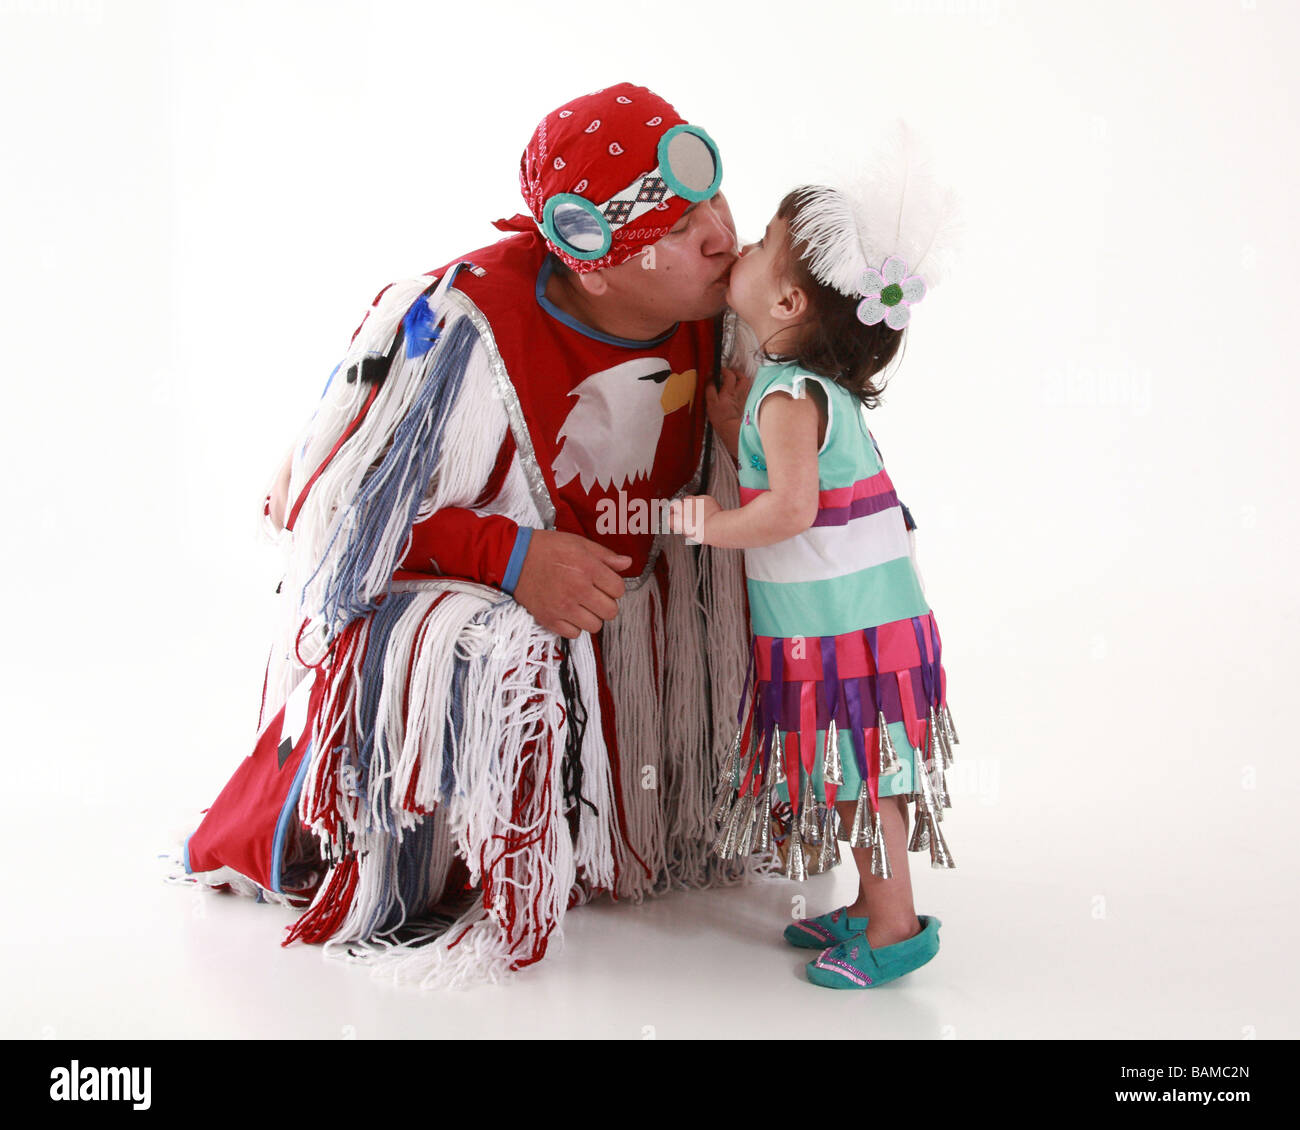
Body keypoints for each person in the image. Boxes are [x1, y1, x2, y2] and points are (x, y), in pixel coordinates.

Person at [176, 82, 769, 989]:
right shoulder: (461, 325)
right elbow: (329, 516)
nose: (722, 236)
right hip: (495, 628)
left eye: (715, 203)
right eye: (679, 232)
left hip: (630, 639)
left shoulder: (734, 312)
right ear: (595, 263)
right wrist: (513, 556)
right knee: (498, 640)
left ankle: (654, 825)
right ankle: (472, 860)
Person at [669, 137, 961, 990]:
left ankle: (896, 924)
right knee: (851, 777)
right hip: (841, 627)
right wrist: (732, 429)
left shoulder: (794, 396)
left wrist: (712, 523)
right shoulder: (791, 392)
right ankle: (877, 908)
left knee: (862, 783)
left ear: (789, 297)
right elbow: (792, 482)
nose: (744, 247)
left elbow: (790, 509)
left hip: (847, 634)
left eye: (759, 241)